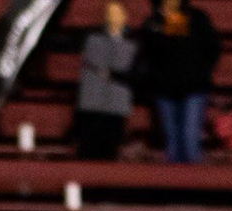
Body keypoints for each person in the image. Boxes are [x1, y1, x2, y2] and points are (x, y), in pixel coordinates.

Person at [137, 0, 221, 165]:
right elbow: (147, 55)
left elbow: (213, 47)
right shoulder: (153, 23)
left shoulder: (197, 18)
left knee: (190, 139)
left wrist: (201, 72)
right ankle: (173, 187)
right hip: (164, 90)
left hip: (193, 88)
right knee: (172, 144)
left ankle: (194, 186)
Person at [76, 1, 138, 160]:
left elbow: (132, 69)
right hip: (93, 102)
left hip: (116, 101)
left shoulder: (133, 41)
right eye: (109, 14)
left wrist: (113, 74)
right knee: (89, 147)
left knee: (110, 146)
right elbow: (93, 63)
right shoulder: (92, 38)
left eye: (117, 13)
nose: (113, 18)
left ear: (125, 16)